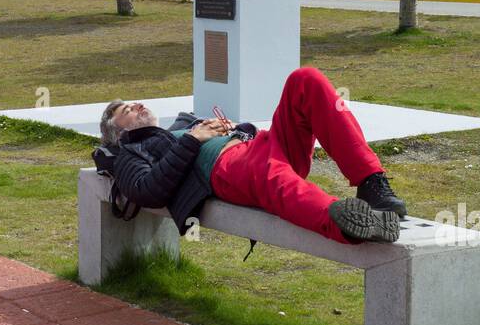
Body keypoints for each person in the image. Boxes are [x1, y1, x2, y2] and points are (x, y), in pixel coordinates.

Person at [98, 67, 407, 244]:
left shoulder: (179, 124)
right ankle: (344, 223)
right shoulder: (130, 152)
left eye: (135, 102)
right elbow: (149, 191)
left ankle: (372, 182)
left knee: (305, 80)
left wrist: (234, 128)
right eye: (127, 110)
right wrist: (192, 140)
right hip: (226, 169)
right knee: (275, 180)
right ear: (117, 132)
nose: (137, 105)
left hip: (262, 145)